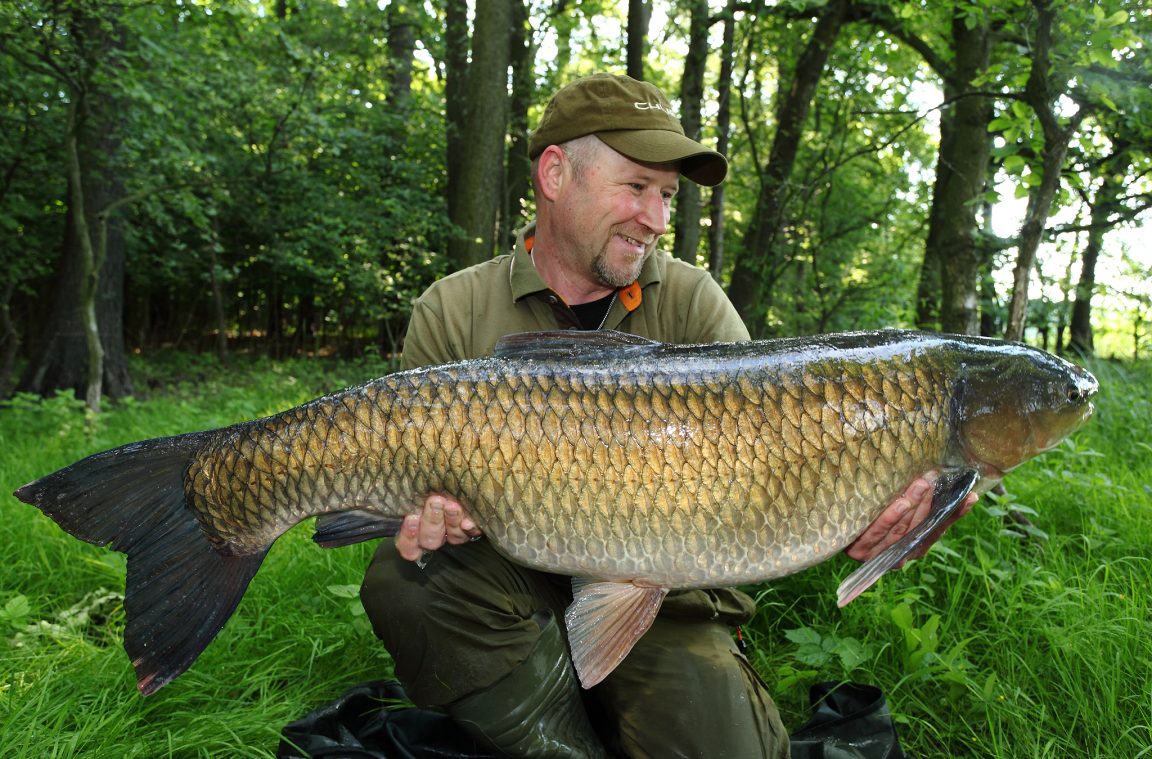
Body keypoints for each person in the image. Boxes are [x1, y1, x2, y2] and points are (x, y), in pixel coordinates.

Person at [360, 73, 973, 759]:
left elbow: (776, 456)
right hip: (507, 578)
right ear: (555, 174)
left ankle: (612, 701)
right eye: (636, 186)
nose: (656, 218)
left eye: (667, 195)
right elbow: (419, 498)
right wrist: (433, 515)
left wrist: (873, 501)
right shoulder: (453, 310)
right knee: (407, 579)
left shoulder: (694, 303)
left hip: (670, 599)